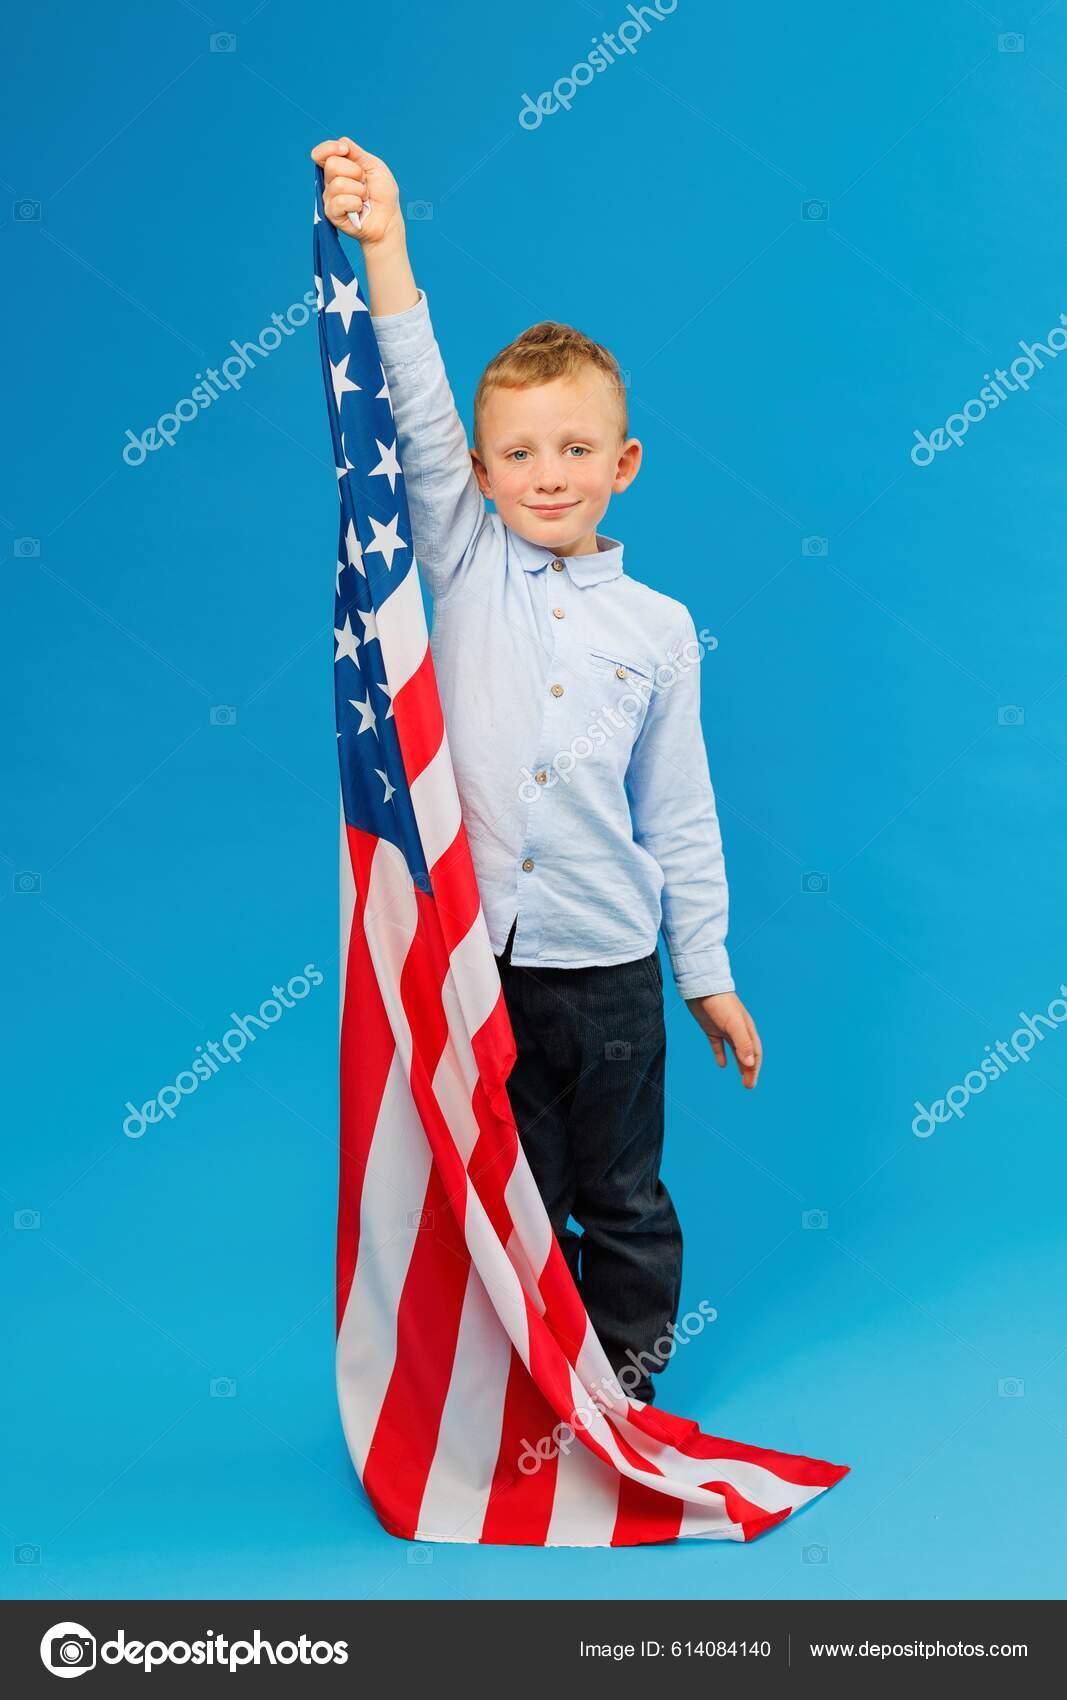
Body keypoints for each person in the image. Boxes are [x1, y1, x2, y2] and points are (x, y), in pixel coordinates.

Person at [311, 135, 762, 1405]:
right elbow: (409, 395)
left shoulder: (659, 629)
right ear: (484, 472)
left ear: (620, 464)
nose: (543, 475)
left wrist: (706, 973)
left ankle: (625, 1394)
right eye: (516, 455)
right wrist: (383, 241)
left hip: (608, 966)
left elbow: (679, 814)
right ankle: (523, 1389)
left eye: (573, 451)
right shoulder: (462, 560)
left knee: (619, 1192)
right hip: (480, 960)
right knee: (511, 1183)